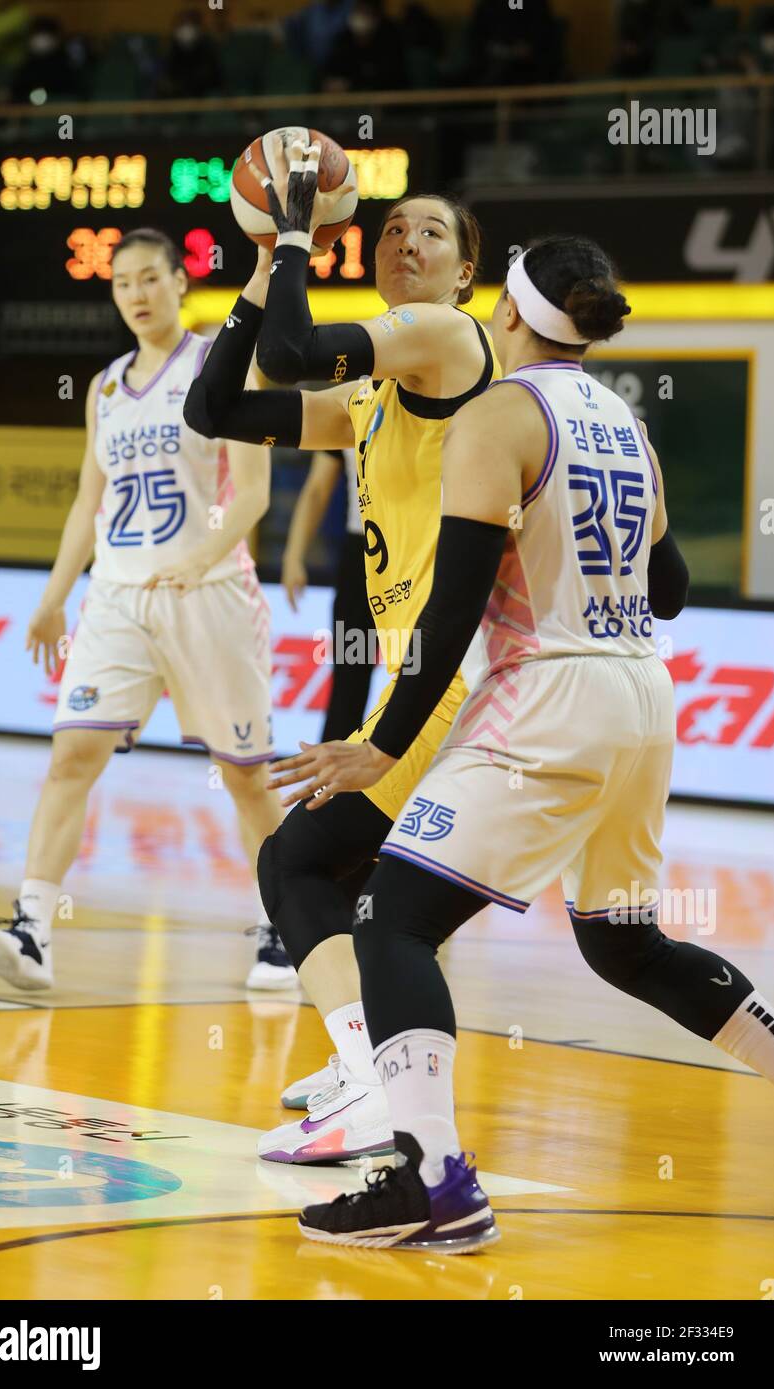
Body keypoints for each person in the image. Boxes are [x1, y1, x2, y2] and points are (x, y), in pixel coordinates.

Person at [270, 234, 774, 1252]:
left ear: (506, 313)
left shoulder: (496, 414)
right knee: (624, 942)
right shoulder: (623, 425)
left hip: (549, 694)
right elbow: (669, 590)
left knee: (392, 918)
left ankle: (432, 1181)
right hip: (644, 694)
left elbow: (453, 607)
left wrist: (383, 743)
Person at [182, 139, 498, 1147]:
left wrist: (286, 239)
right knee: (350, 887)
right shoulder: (371, 395)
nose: (407, 240)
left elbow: (290, 351)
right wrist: (256, 270)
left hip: (459, 682)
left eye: (433, 232)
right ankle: (375, 1070)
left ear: (466, 272)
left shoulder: (447, 337)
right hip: (414, 684)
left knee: (300, 863)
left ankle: (372, 1075)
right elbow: (216, 404)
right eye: (395, 229)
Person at [0, 227, 296, 994]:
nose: (138, 295)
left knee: (245, 778)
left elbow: (251, 490)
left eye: (151, 279)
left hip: (209, 596)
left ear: (180, 284)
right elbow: (90, 498)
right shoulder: (107, 385)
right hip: (116, 598)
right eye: (123, 284)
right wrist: (53, 597)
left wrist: (197, 558)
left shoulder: (220, 364)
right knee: (71, 757)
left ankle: (285, 928)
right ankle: (34, 929)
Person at [281, 447, 376, 741]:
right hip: (361, 556)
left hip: (421, 554)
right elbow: (317, 489)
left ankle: (412, 778)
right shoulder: (346, 405)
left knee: (416, 669)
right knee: (350, 671)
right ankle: (333, 783)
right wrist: (293, 555)